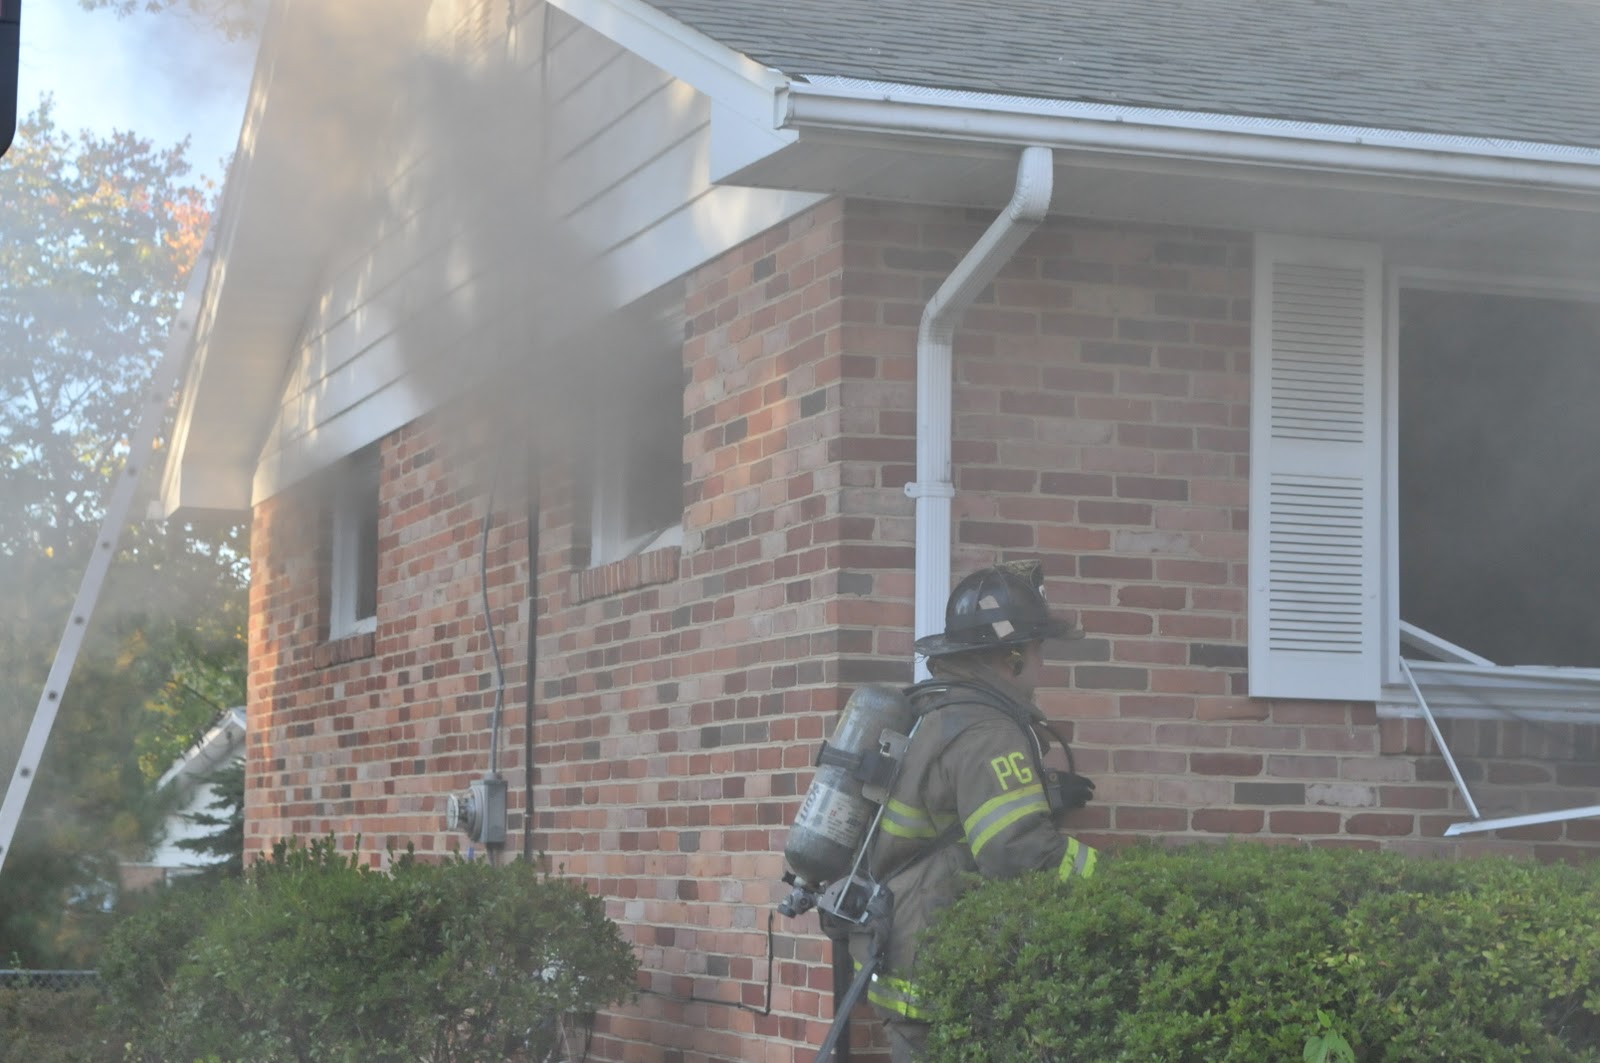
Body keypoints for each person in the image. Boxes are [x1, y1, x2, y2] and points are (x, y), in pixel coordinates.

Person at [848, 559, 1100, 1062]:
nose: (1042, 663)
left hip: (902, 942)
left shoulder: (939, 711)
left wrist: (1045, 794)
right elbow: (1016, 852)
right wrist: (1107, 881)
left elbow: (954, 810)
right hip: (934, 955)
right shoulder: (987, 730)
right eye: (1038, 648)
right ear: (1012, 658)